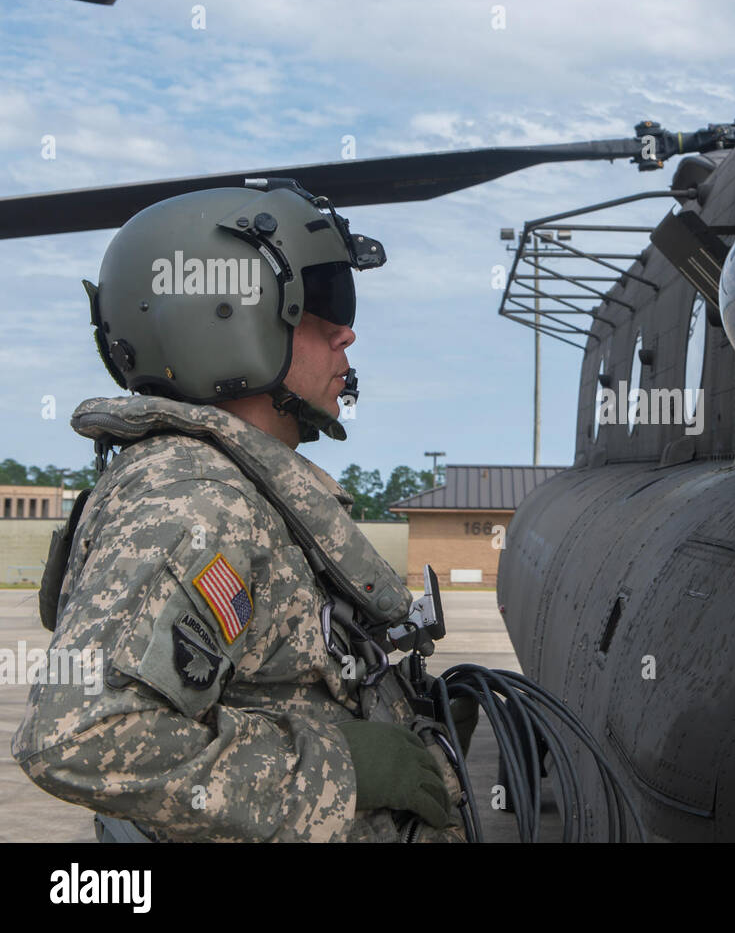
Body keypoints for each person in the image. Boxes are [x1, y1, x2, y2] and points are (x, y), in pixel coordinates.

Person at [12, 182, 468, 842]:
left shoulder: (242, 487)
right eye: (323, 304)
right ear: (227, 316)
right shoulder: (195, 497)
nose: (347, 331)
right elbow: (80, 734)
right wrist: (345, 768)